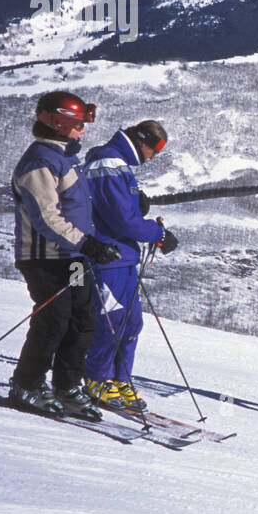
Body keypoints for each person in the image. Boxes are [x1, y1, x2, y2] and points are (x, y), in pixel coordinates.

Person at [9, 90, 120, 419]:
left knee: (83, 320)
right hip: (45, 259)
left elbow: (78, 208)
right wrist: (87, 244)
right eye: (76, 124)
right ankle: (26, 385)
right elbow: (47, 219)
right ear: (56, 122)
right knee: (53, 322)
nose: (82, 131)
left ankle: (67, 386)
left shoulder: (65, 158)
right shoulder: (39, 163)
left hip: (71, 259)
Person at [82, 120, 179, 412]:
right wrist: (157, 233)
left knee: (131, 323)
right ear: (142, 140)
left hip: (123, 257)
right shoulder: (108, 162)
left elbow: (123, 209)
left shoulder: (119, 164)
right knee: (111, 322)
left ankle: (120, 379)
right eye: (156, 149)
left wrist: (138, 203)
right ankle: (96, 378)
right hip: (107, 256)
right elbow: (121, 220)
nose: (154, 156)